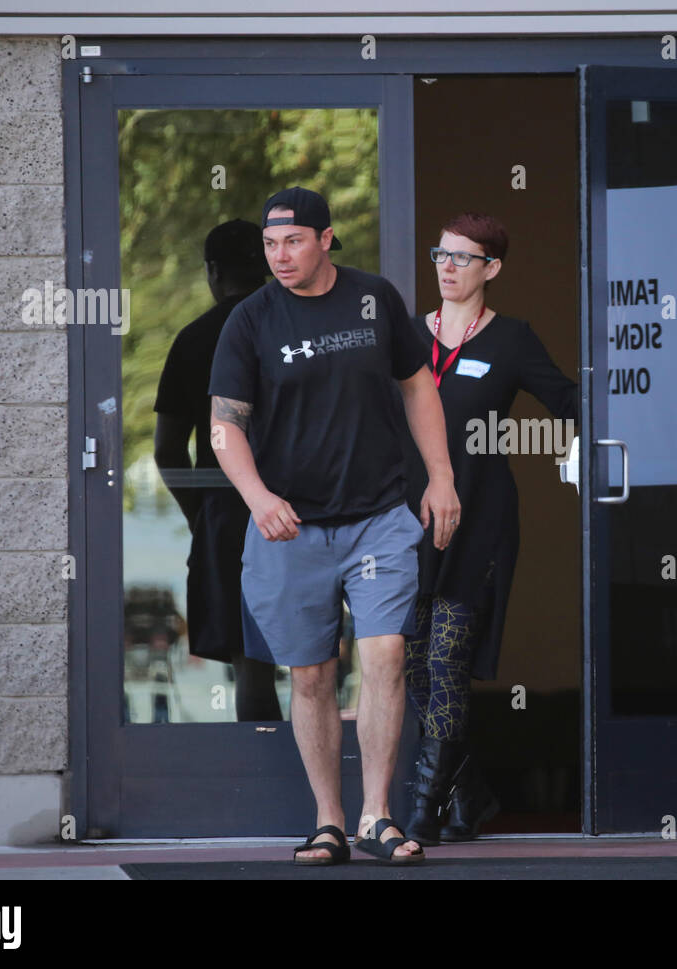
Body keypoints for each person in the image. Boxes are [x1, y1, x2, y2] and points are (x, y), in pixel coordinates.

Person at [208, 187, 460, 865]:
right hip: (293, 527)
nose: (280, 256)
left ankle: (379, 815)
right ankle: (329, 820)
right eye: (269, 244)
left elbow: (418, 385)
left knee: (383, 655)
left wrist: (440, 475)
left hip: (378, 516)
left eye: (292, 241)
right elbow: (224, 424)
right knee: (313, 675)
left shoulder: (375, 299)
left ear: (325, 239)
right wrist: (258, 497)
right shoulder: (251, 320)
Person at [400, 213, 579, 845]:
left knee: (447, 659)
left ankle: (424, 804)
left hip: (480, 518)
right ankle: (470, 792)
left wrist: (590, 447)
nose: (446, 267)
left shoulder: (512, 340)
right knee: (412, 666)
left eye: (462, 258)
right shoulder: (403, 336)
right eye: (439, 255)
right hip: (405, 522)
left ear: (491, 269)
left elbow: (571, 403)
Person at [154, 219, 281, 722]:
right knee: (312, 660)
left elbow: (167, 450)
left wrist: (202, 511)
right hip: (307, 506)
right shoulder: (293, 331)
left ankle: (261, 781)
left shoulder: (195, 340)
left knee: (252, 662)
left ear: (212, 271)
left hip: (229, 514)